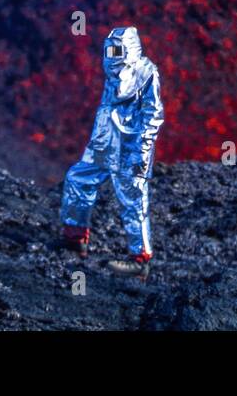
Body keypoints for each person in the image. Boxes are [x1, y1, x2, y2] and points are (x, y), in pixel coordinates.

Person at [60, 26, 163, 275]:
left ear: (130, 49)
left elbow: (152, 115)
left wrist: (142, 151)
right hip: (104, 145)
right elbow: (108, 109)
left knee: (133, 200)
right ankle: (75, 238)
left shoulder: (147, 73)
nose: (112, 55)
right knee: (78, 179)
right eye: (109, 50)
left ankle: (140, 261)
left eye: (118, 50)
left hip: (131, 148)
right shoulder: (114, 73)